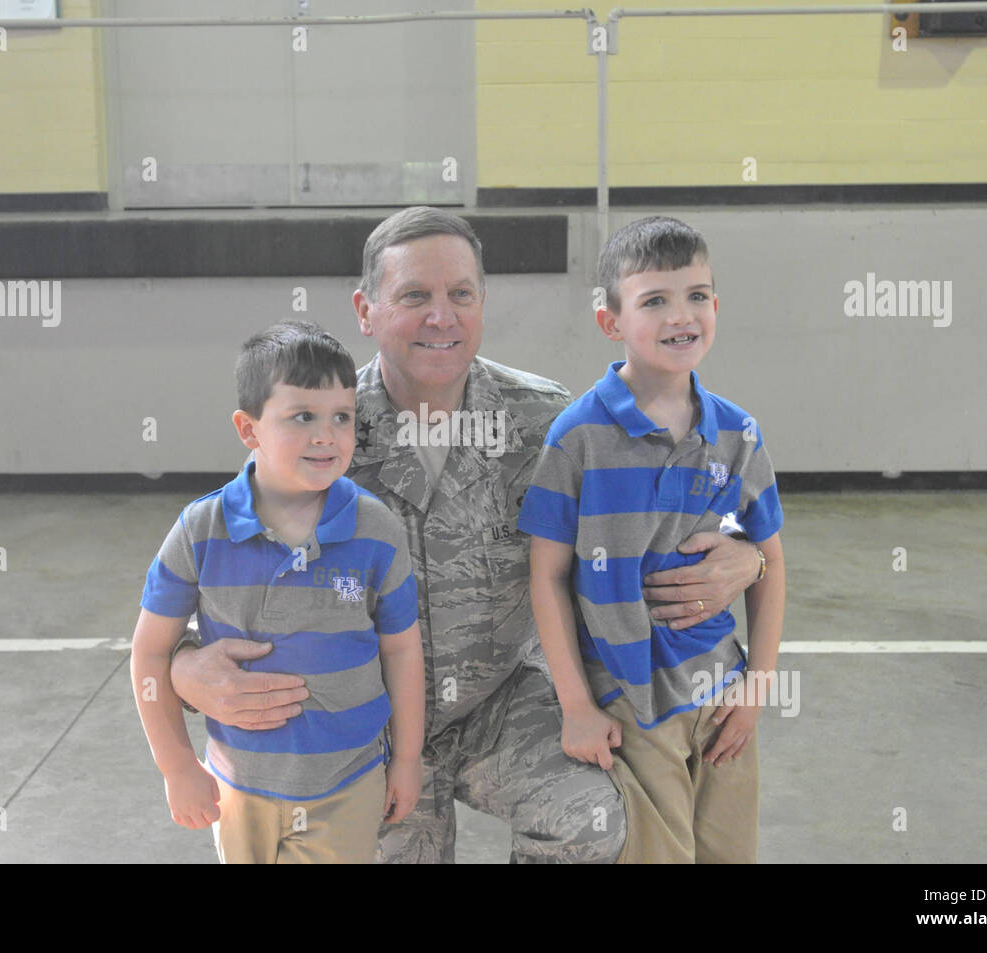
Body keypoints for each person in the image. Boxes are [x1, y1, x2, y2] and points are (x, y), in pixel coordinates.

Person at [169, 207, 765, 863]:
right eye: (414, 296)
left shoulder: (545, 421)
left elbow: (666, 503)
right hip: (364, 729)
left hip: (499, 707)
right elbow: (218, 572)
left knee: (595, 817)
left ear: (483, 302)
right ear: (365, 310)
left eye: (460, 294)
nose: (441, 316)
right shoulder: (316, 434)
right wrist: (184, 666)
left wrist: (748, 552)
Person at [522, 215, 786, 863]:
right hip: (632, 701)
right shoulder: (577, 436)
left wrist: (755, 685)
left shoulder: (737, 433)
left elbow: (771, 562)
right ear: (611, 321)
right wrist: (578, 704)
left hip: (721, 694)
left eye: (696, 295)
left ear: (716, 306)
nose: (681, 315)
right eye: (655, 300)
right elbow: (547, 575)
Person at [130, 321, 425, 863]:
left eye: (342, 417)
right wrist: (176, 767)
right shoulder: (201, 530)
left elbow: (403, 649)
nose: (326, 435)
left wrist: (406, 760)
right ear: (249, 429)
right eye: (302, 417)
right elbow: (149, 651)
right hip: (238, 784)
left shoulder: (376, 529)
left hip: (348, 781)